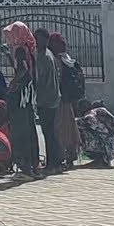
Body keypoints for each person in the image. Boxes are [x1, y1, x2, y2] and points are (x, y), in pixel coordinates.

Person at [2, 21, 41, 180]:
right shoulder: (28, 49)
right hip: (28, 96)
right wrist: (8, 56)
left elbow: (22, 70)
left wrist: (13, 83)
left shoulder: (19, 50)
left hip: (21, 97)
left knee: (20, 131)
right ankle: (33, 166)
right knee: (29, 129)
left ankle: (24, 168)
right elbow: (22, 68)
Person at [48, 32, 83, 169]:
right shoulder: (67, 59)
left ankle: (63, 156)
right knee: (68, 126)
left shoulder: (57, 60)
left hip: (59, 100)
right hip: (67, 99)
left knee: (61, 128)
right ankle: (69, 156)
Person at [31, 28, 64, 173]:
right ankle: (56, 162)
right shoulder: (47, 54)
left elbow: (38, 80)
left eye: (39, 38)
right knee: (51, 132)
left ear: (46, 39)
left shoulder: (43, 56)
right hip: (52, 98)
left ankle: (54, 164)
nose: (37, 41)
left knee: (49, 132)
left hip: (47, 99)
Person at [75, 99, 114, 167]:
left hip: (109, 149)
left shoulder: (89, 117)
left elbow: (102, 131)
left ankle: (101, 159)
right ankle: (103, 159)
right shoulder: (98, 111)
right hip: (113, 147)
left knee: (81, 131)